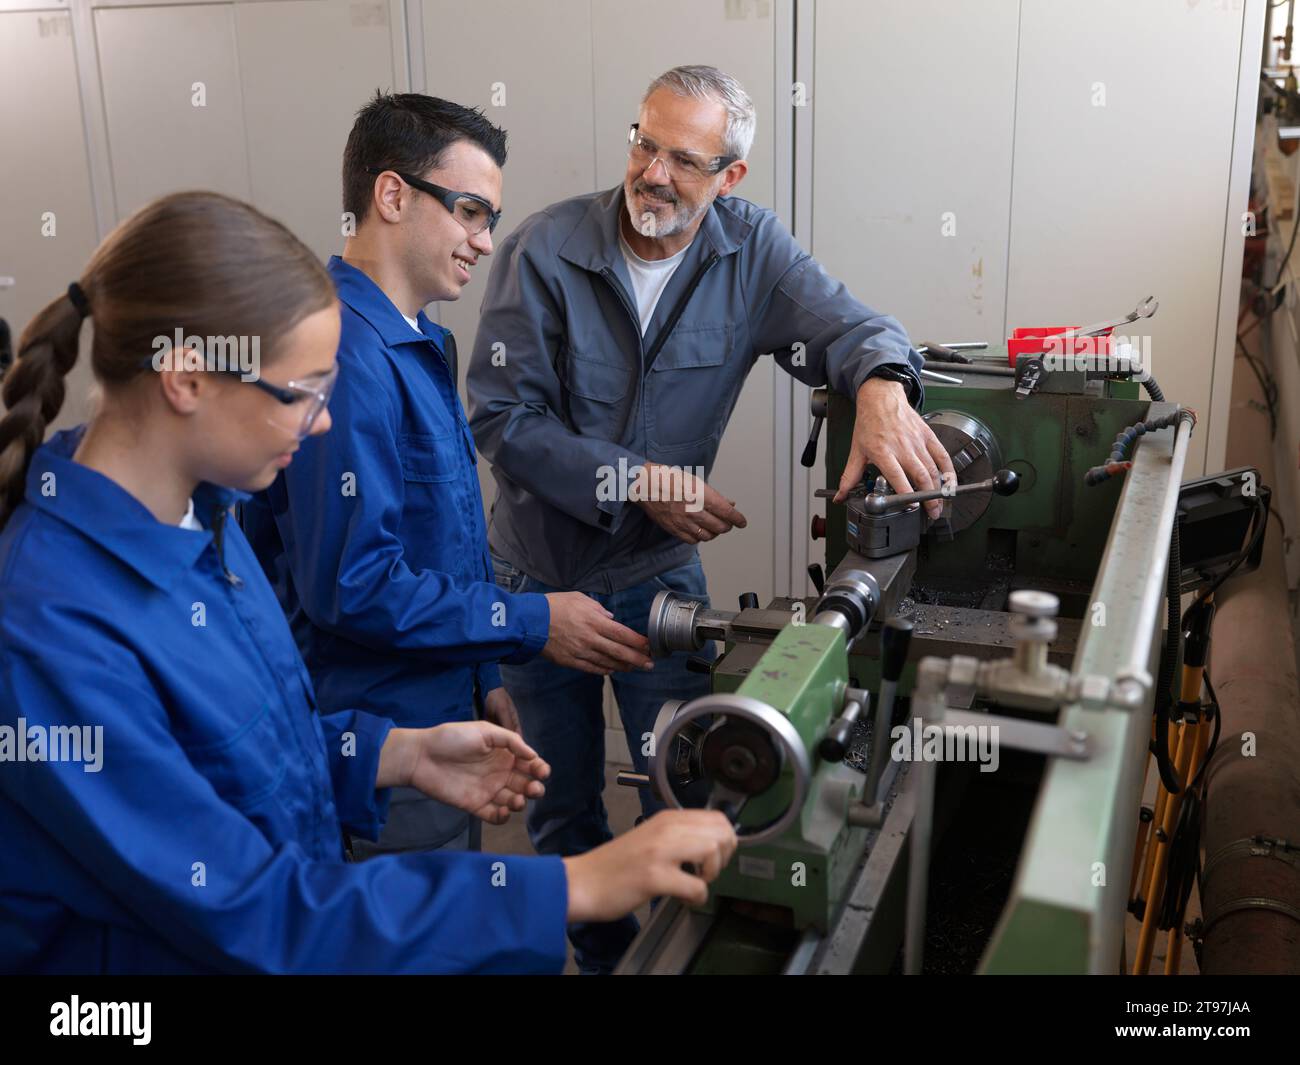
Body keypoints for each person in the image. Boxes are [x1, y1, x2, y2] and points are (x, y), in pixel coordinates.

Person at [0, 190, 736, 974]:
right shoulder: (50, 632)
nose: (322, 423)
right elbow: (256, 912)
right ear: (186, 378)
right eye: (303, 394)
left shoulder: (203, 514)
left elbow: (224, 752)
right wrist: (572, 886)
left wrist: (392, 754)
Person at [466, 64, 956, 973]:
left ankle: (675, 951)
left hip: (656, 580)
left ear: (730, 177)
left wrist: (885, 388)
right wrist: (635, 479)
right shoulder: (542, 249)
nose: (652, 174)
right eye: (643, 144)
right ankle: (615, 957)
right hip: (535, 581)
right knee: (563, 806)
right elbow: (503, 418)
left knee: (683, 786)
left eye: (685, 161)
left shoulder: (751, 251)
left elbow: (853, 326)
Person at [243, 93, 654, 860]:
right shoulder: (347, 358)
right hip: (378, 743)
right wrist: (535, 622)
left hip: (441, 714)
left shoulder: (416, 342)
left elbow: (441, 543)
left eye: (490, 217)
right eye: (469, 211)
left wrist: (483, 674)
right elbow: (354, 585)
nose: (486, 241)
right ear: (391, 195)